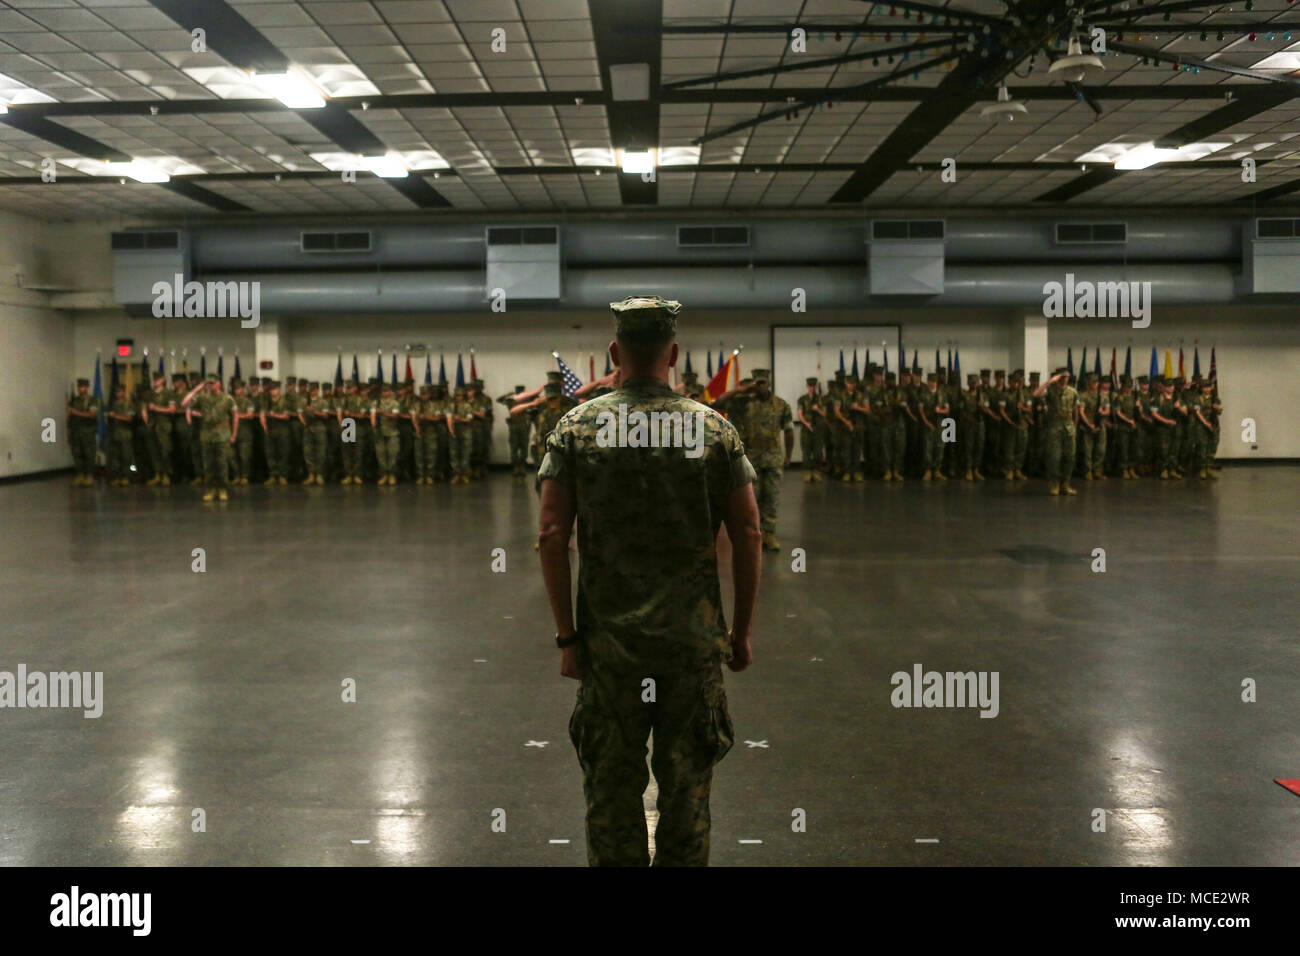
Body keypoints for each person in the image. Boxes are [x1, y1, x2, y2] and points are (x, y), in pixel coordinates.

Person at [537, 294, 761, 867]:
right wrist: (739, 635)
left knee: (611, 791)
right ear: (674, 353)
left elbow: (551, 534)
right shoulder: (713, 430)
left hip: (610, 648)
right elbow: (750, 533)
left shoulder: (577, 427)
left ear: (614, 351)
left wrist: (568, 640)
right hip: (690, 643)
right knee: (686, 792)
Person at [740, 369, 793, 551]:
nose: (761, 386)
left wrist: (789, 456)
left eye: (763, 382)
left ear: (769, 383)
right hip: (752, 458)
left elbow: (788, 430)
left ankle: (769, 534)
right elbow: (721, 403)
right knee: (753, 498)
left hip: (772, 458)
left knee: (771, 497)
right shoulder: (745, 403)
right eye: (757, 383)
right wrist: (743, 390)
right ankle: (756, 534)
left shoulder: (781, 405)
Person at [183, 373, 237, 502]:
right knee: (208, 465)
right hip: (207, 436)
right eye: (208, 383)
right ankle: (212, 489)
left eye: (212, 383)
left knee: (222, 464)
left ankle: (222, 489)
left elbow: (235, 416)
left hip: (222, 435)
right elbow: (185, 403)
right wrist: (197, 389)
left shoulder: (227, 398)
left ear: (219, 383)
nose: (210, 386)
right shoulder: (202, 398)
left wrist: (234, 434)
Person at [1036, 368, 1079, 496]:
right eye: (1062, 376)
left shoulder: (1072, 392)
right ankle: (1054, 484)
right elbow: (1036, 393)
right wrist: (1050, 381)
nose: (1065, 379)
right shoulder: (1051, 391)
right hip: (1054, 426)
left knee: (1069, 457)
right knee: (1054, 457)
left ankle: (1065, 484)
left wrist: (1075, 427)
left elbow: (1075, 410)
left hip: (1068, 426)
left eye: (1066, 376)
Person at [66, 378, 100, 486]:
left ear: (87, 387)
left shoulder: (92, 400)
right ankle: (79, 475)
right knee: (77, 454)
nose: (81, 389)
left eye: (83, 387)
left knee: (89, 454)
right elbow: (69, 415)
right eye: (79, 387)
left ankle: (89, 475)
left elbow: (92, 414)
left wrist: (76, 412)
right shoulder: (74, 400)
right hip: (76, 431)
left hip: (88, 432)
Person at [498, 385, 532, 478]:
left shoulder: (527, 401)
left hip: (524, 426)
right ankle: (516, 467)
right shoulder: (511, 401)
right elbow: (499, 400)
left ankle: (522, 466)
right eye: (518, 393)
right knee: (514, 447)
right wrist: (508, 394)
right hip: (513, 427)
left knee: (524, 447)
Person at [105, 382, 135, 487]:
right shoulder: (114, 404)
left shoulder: (128, 404)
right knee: (115, 457)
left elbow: (129, 418)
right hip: (115, 434)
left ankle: (126, 477)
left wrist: (116, 416)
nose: (118, 394)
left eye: (120, 392)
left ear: (124, 392)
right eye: (117, 392)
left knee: (126, 457)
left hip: (125, 434)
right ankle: (117, 477)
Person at [796, 377, 825, 482]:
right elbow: (799, 414)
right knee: (806, 451)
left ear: (816, 386)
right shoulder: (802, 399)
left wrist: (818, 409)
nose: (812, 388)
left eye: (813, 386)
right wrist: (806, 423)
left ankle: (816, 472)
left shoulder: (820, 399)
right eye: (810, 386)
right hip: (806, 429)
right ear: (807, 386)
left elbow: (825, 414)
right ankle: (808, 472)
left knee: (818, 452)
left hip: (818, 429)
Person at [230, 378, 257, 485]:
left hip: (245, 432)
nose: (237, 390)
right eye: (236, 388)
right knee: (232, 456)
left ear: (244, 389)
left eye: (239, 388)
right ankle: (236, 475)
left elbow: (251, 415)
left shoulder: (248, 401)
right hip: (232, 432)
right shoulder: (230, 401)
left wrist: (239, 416)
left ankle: (245, 476)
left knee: (244, 456)